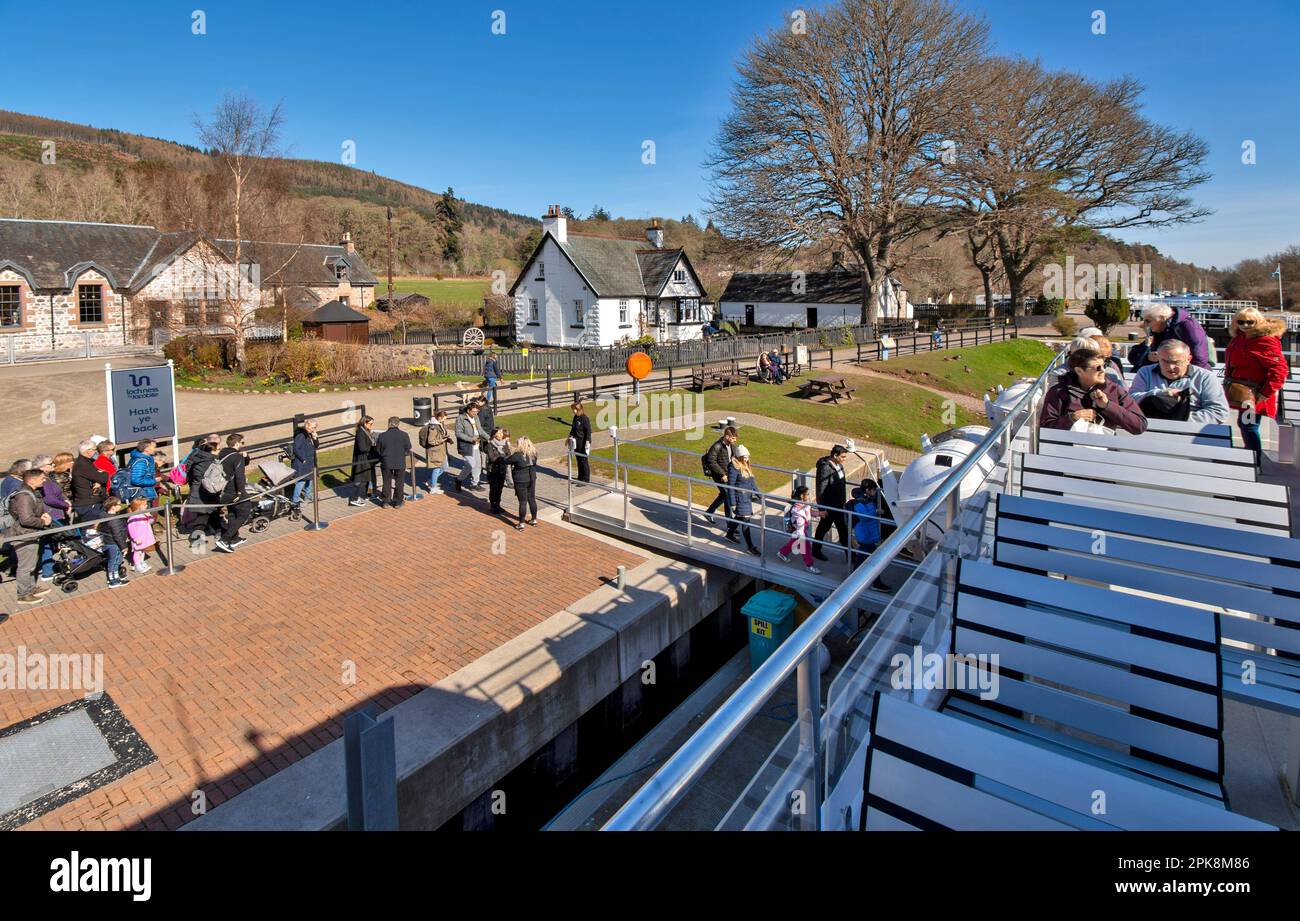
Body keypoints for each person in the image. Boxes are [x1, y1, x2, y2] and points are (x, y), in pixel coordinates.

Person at [1224, 307, 1288, 456]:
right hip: (1242, 392)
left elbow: (1280, 371)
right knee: (1246, 424)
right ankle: (1251, 456)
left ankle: (1254, 459)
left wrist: (1265, 393)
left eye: (1250, 322)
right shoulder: (1239, 338)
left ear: (1258, 321)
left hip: (1254, 394)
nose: (1245, 325)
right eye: (1241, 321)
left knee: (1249, 425)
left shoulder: (1265, 341)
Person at [1039, 347, 1147, 434]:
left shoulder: (1114, 390)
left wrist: (1107, 406)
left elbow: (1139, 426)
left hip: (1105, 451)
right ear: (1079, 371)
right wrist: (1072, 418)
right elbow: (1045, 427)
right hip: (1066, 452)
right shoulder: (1058, 392)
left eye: (1104, 365)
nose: (1103, 370)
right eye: (1098, 368)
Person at [1129, 339, 1230, 424]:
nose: (1171, 367)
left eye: (1177, 362)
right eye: (1165, 361)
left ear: (1188, 359)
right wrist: (1159, 393)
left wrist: (1180, 418)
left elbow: (1219, 412)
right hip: (1151, 428)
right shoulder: (1145, 372)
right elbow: (1130, 400)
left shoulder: (1205, 377)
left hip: (1191, 431)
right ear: (1158, 358)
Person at [5, 466, 53, 605]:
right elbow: (26, 519)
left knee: (31, 564)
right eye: (42, 478)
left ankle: (31, 588)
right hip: (23, 535)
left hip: (29, 534)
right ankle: (24, 594)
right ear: (32, 481)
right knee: (26, 566)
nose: (44, 480)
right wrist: (43, 522)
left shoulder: (29, 492)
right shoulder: (24, 495)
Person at [1129, 303, 1212, 370]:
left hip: (1189, 375)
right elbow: (1134, 358)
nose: (1145, 324)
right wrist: (1148, 357)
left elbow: (1199, 357)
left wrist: (1187, 379)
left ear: (1162, 318)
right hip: (1167, 375)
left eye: (1148, 321)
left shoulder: (1188, 326)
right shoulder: (1158, 330)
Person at [33, 454, 69, 583]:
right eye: (50, 464)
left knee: (49, 543)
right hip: (51, 515)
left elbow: (56, 493)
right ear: (41, 467)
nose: (53, 465)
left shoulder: (47, 477)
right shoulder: (44, 480)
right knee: (48, 542)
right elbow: (49, 498)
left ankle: (48, 568)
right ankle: (48, 571)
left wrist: (64, 499)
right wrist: (65, 504)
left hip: (52, 513)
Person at [215, 433, 253, 551]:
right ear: (236, 443)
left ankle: (234, 538)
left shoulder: (221, 454)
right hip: (233, 491)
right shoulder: (236, 457)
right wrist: (241, 492)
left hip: (221, 491)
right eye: (242, 443)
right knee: (244, 512)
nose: (243, 445)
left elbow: (233, 467)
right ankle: (225, 539)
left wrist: (245, 458)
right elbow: (239, 476)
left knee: (232, 513)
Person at [812, 445, 850, 562]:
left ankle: (850, 554)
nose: (844, 459)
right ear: (835, 455)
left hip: (838, 505)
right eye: (842, 456)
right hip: (829, 505)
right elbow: (821, 488)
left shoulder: (839, 465)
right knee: (825, 528)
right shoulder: (825, 468)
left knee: (840, 529)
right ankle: (816, 550)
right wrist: (822, 507)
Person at [185, 433, 222, 548]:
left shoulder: (197, 458)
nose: (219, 451)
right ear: (212, 451)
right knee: (202, 517)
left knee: (213, 513)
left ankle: (217, 530)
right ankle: (196, 539)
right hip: (205, 494)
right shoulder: (209, 462)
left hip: (196, 490)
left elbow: (190, 475)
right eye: (218, 449)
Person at [777, 484, 822, 574]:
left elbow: (809, 512)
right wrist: (802, 538)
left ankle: (782, 553)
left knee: (794, 543)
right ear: (802, 496)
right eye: (808, 494)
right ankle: (809, 566)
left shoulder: (803, 504)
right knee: (806, 547)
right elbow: (800, 524)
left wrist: (819, 514)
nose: (809, 496)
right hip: (799, 531)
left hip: (800, 530)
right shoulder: (796, 511)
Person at [725, 445, 762, 555]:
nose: (746, 459)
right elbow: (731, 486)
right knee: (746, 520)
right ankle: (750, 547)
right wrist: (733, 503)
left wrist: (760, 495)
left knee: (740, 518)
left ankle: (729, 534)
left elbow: (752, 482)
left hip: (746, 498)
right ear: (739, 456)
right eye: (744, 457)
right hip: (739, 499)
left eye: (747, 457)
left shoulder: (746, 465)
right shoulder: (733, 467)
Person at [703, 426, 738, 524]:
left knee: (723, 495)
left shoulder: (732, 446)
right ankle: (729, 523)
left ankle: (709, 513)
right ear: (727, 436)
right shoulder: (717, 446)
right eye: (733, 438)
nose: (735, 440)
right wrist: (722, 474)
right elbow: (711, 461)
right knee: (727, 496)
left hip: (729, 475)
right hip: (719, 476)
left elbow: (733, 458)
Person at [375, 416, 412, 508]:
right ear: (398, 424)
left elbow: (378, 450)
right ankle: (398, 502)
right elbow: (408, 448)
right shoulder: (404, 435)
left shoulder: (382, 436)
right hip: (400, 462)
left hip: (386, 462)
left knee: (386, 482)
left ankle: (386, 501)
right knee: (399, 482)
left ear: (389, 424)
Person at [94, 496, 131, 588]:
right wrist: (124, 546)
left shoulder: (103, 515)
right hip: (114, 544)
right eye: (119, 504)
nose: (120, 506)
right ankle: (113, 581)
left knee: (113, 560)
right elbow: (117, 535)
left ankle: (115, 577)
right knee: (115, 562)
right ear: (113, 507)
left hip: (107, 541)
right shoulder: (114, 520)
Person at [70, 439, 110, 521]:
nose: (96, 452)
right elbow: (103, 478)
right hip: (89, 504)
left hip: (93, 502)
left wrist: (99, 477)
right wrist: (104, 473)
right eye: (95, 449)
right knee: (91, 530)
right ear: (88, 451)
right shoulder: (82, 465)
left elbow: (98, 477)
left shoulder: (88, 462)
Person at [506, 436, 540, 529]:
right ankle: (534, 519)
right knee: (532, 499)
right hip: (532, 478)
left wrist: (508, 450)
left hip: (520, 480)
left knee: (523, 502)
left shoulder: (517, 455)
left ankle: (521, 523)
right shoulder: (534, 453)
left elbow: (506, 460)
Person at [420, 410, 453, 495]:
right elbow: (431, 441)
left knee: (445, 467)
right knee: (437, 468)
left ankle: (431, 481)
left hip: (441, 450)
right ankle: (433, 488)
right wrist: (442, 440)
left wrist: (446, 438)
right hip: (435, 451)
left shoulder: (439, 424)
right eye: (444, 418)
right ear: (439, 417)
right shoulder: (433, 427)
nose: (444, 420)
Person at [348, 415, 379, 507]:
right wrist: (373, 446)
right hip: (363, 460)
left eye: (372, 424)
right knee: (361, 480)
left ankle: (368, 494)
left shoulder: (366, 431)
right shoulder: (360, 433)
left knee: (369, 479)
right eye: (370, 424)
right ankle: (354, 498)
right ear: (364, 423)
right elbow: (362, 448)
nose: (371, 425)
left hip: (368, 459)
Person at [456, 402, 486, 492]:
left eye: (477, 411)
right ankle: (458, 480)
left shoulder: (476, 417)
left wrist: (489, 438)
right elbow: (458, 433)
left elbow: (480, 430)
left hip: (476, 445)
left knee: (478, 465)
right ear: (468, 411)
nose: (476, 413)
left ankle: (474, 484)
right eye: (474, 412)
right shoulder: (461, 419)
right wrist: (471, 439)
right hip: (466, 446)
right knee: (470, 465)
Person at [290, 419, 319, 507]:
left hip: (310, 462)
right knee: (301, 481)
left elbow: (316, 446)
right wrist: (303, 459)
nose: (315, 429)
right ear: (308, 426)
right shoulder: (301, 435)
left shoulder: (310, 434)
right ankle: (295, 500)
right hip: (302, 463)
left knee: (309, 480)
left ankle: (307, 495)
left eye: (315, 427)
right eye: (314, 427)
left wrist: (315, 438)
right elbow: (296, 448)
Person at [126, 497, 157, 573]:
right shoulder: (133, 517)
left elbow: (151, 521)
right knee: (137, 551)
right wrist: (135, 538)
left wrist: (149, 515)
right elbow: (131, 529)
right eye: (144, 505)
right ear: (138, 507)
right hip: (138, 538)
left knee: (143, 551)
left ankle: (142, 562)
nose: (146, 506)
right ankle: (137, 564)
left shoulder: (144, 515)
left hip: (145, 536)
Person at [485, 427, 512, 514]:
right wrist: (503, 457)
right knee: (494, 489)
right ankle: (493, 506)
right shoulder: (490, 445)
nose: (501, 435)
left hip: (502, 470)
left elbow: (509, 454)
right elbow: (492, 458)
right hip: (493, 470)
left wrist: (504, 457)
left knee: (500, 489)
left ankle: (498, 505)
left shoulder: (505, 444)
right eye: (499, 433)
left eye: (501, 433)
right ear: (494, 434)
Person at [569, 402, 592, 483]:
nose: (573, 411)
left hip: (583, 443)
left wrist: (587, 441)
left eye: (574, 409)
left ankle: (586, 479)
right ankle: (580, 478)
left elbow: (588, 431)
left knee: (583, 460)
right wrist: (569, 436)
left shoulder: (584, 418)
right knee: (578, 460)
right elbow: (573, 428)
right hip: (576, 443)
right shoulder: (576, 417)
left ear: (578, 409)